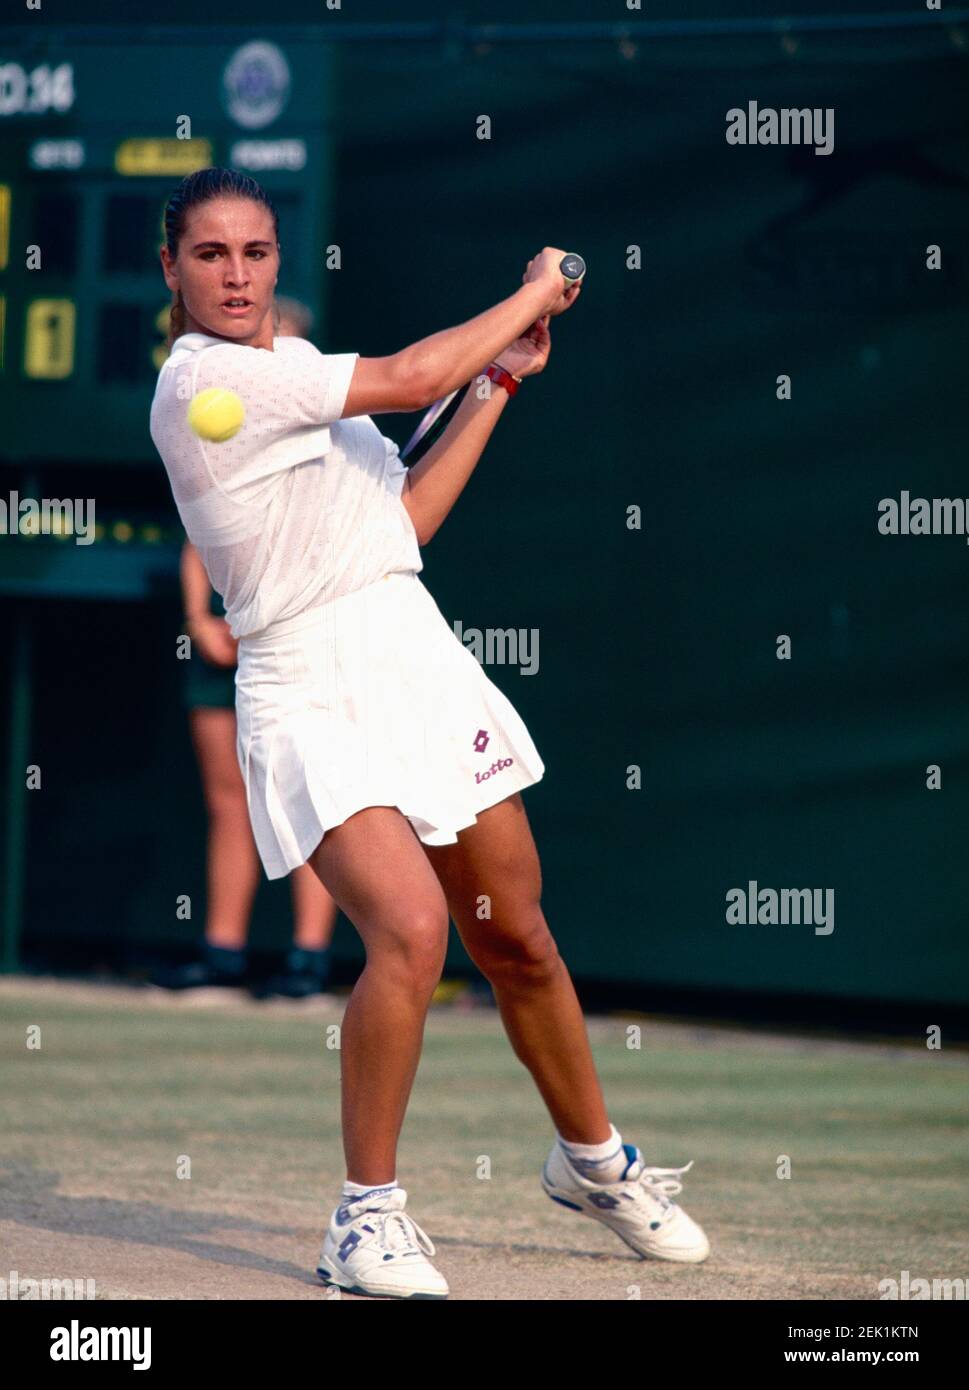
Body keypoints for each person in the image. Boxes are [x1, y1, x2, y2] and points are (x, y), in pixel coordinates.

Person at [150, 167, 709, 1300]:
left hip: (411, 655)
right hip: (304, 680)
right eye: (210, 255)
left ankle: (594, 1163)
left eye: (255, 252)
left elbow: (401, 517)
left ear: (275, 260)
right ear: (172, 270)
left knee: (519, 939)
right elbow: (411, 377)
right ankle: (364, 1220)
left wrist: (500, 379)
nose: (236, 274)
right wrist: (533, 291)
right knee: (409, 931)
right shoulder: (200, 384)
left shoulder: (297, 373)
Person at [153, 297, 338, 1001]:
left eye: (282, 338)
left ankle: (307, 959)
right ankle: (223, 952)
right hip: (221, 639)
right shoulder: (208, 420)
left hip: (295, 631)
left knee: (310, 796)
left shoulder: (327, 426)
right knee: (229, 799)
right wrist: (201, 618)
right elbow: (201, 529)